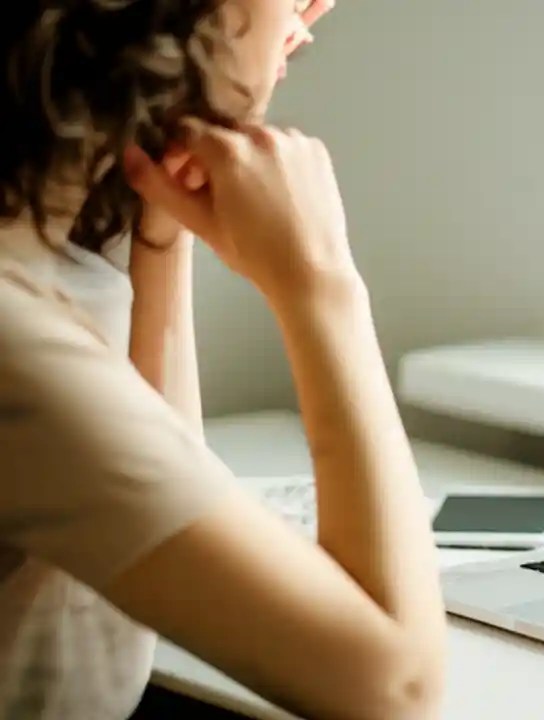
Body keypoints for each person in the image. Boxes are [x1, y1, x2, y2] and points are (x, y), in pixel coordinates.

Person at [0, 2, 447, 718]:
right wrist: (322, 284)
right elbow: (395, 687)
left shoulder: (49, 256)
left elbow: (171, 473)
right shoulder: (18, 340)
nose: (314, 6)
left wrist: (165, 212)